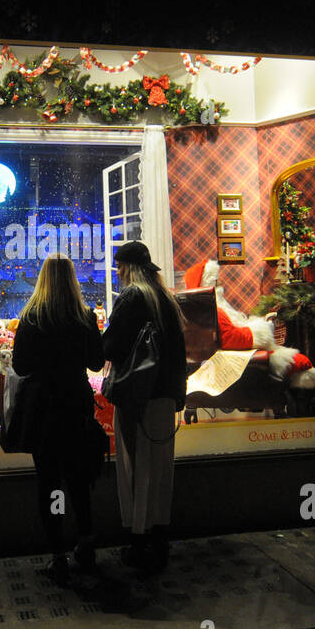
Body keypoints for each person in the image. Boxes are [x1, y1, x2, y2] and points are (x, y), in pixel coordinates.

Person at [10, 254, 106, 584]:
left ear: (42, 279)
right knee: (78, 478)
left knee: (50, 483)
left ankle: (58, 553)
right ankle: (86, 541)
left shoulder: (32, 317)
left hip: (43, 407)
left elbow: (20, 366)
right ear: (72, 280)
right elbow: (96, 363)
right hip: (75, 403)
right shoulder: (84, 316)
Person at [101, 241, 188, 572]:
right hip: (165, 394)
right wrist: (179, 393)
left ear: (127, 267)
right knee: (161, 467)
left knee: (135, 468)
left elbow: (112, 345)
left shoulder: (131, 297)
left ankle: (138, 542)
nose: (118, 273)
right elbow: (179, 353)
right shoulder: (165, 298)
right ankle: (159, 540)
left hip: (136, 395)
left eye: (119, 267)